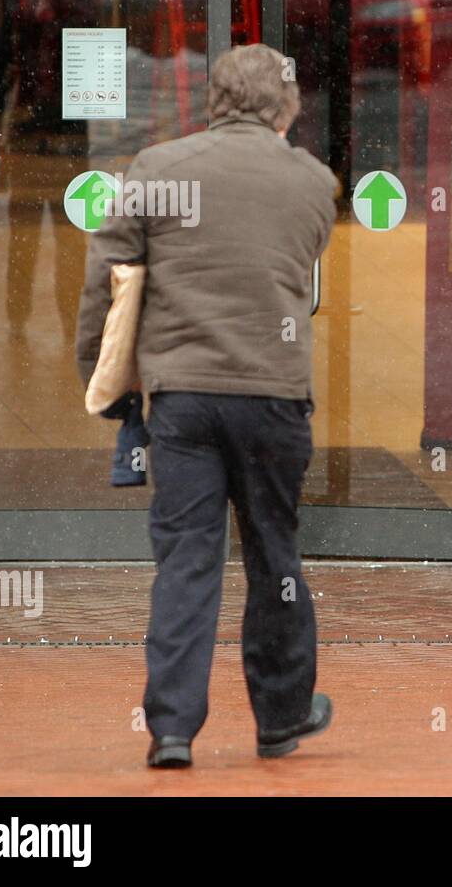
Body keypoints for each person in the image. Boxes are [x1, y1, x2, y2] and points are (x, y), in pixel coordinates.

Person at [76, 43, 339, 768]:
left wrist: (98, 375)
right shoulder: (314, 182)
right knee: (274, 554)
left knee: (187, 561)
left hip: (182, 399)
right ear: (283, 107)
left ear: (216, 98)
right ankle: (281, 717)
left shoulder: (159, 169)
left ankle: (170, 728)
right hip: (274, 397)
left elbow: (109, 274)